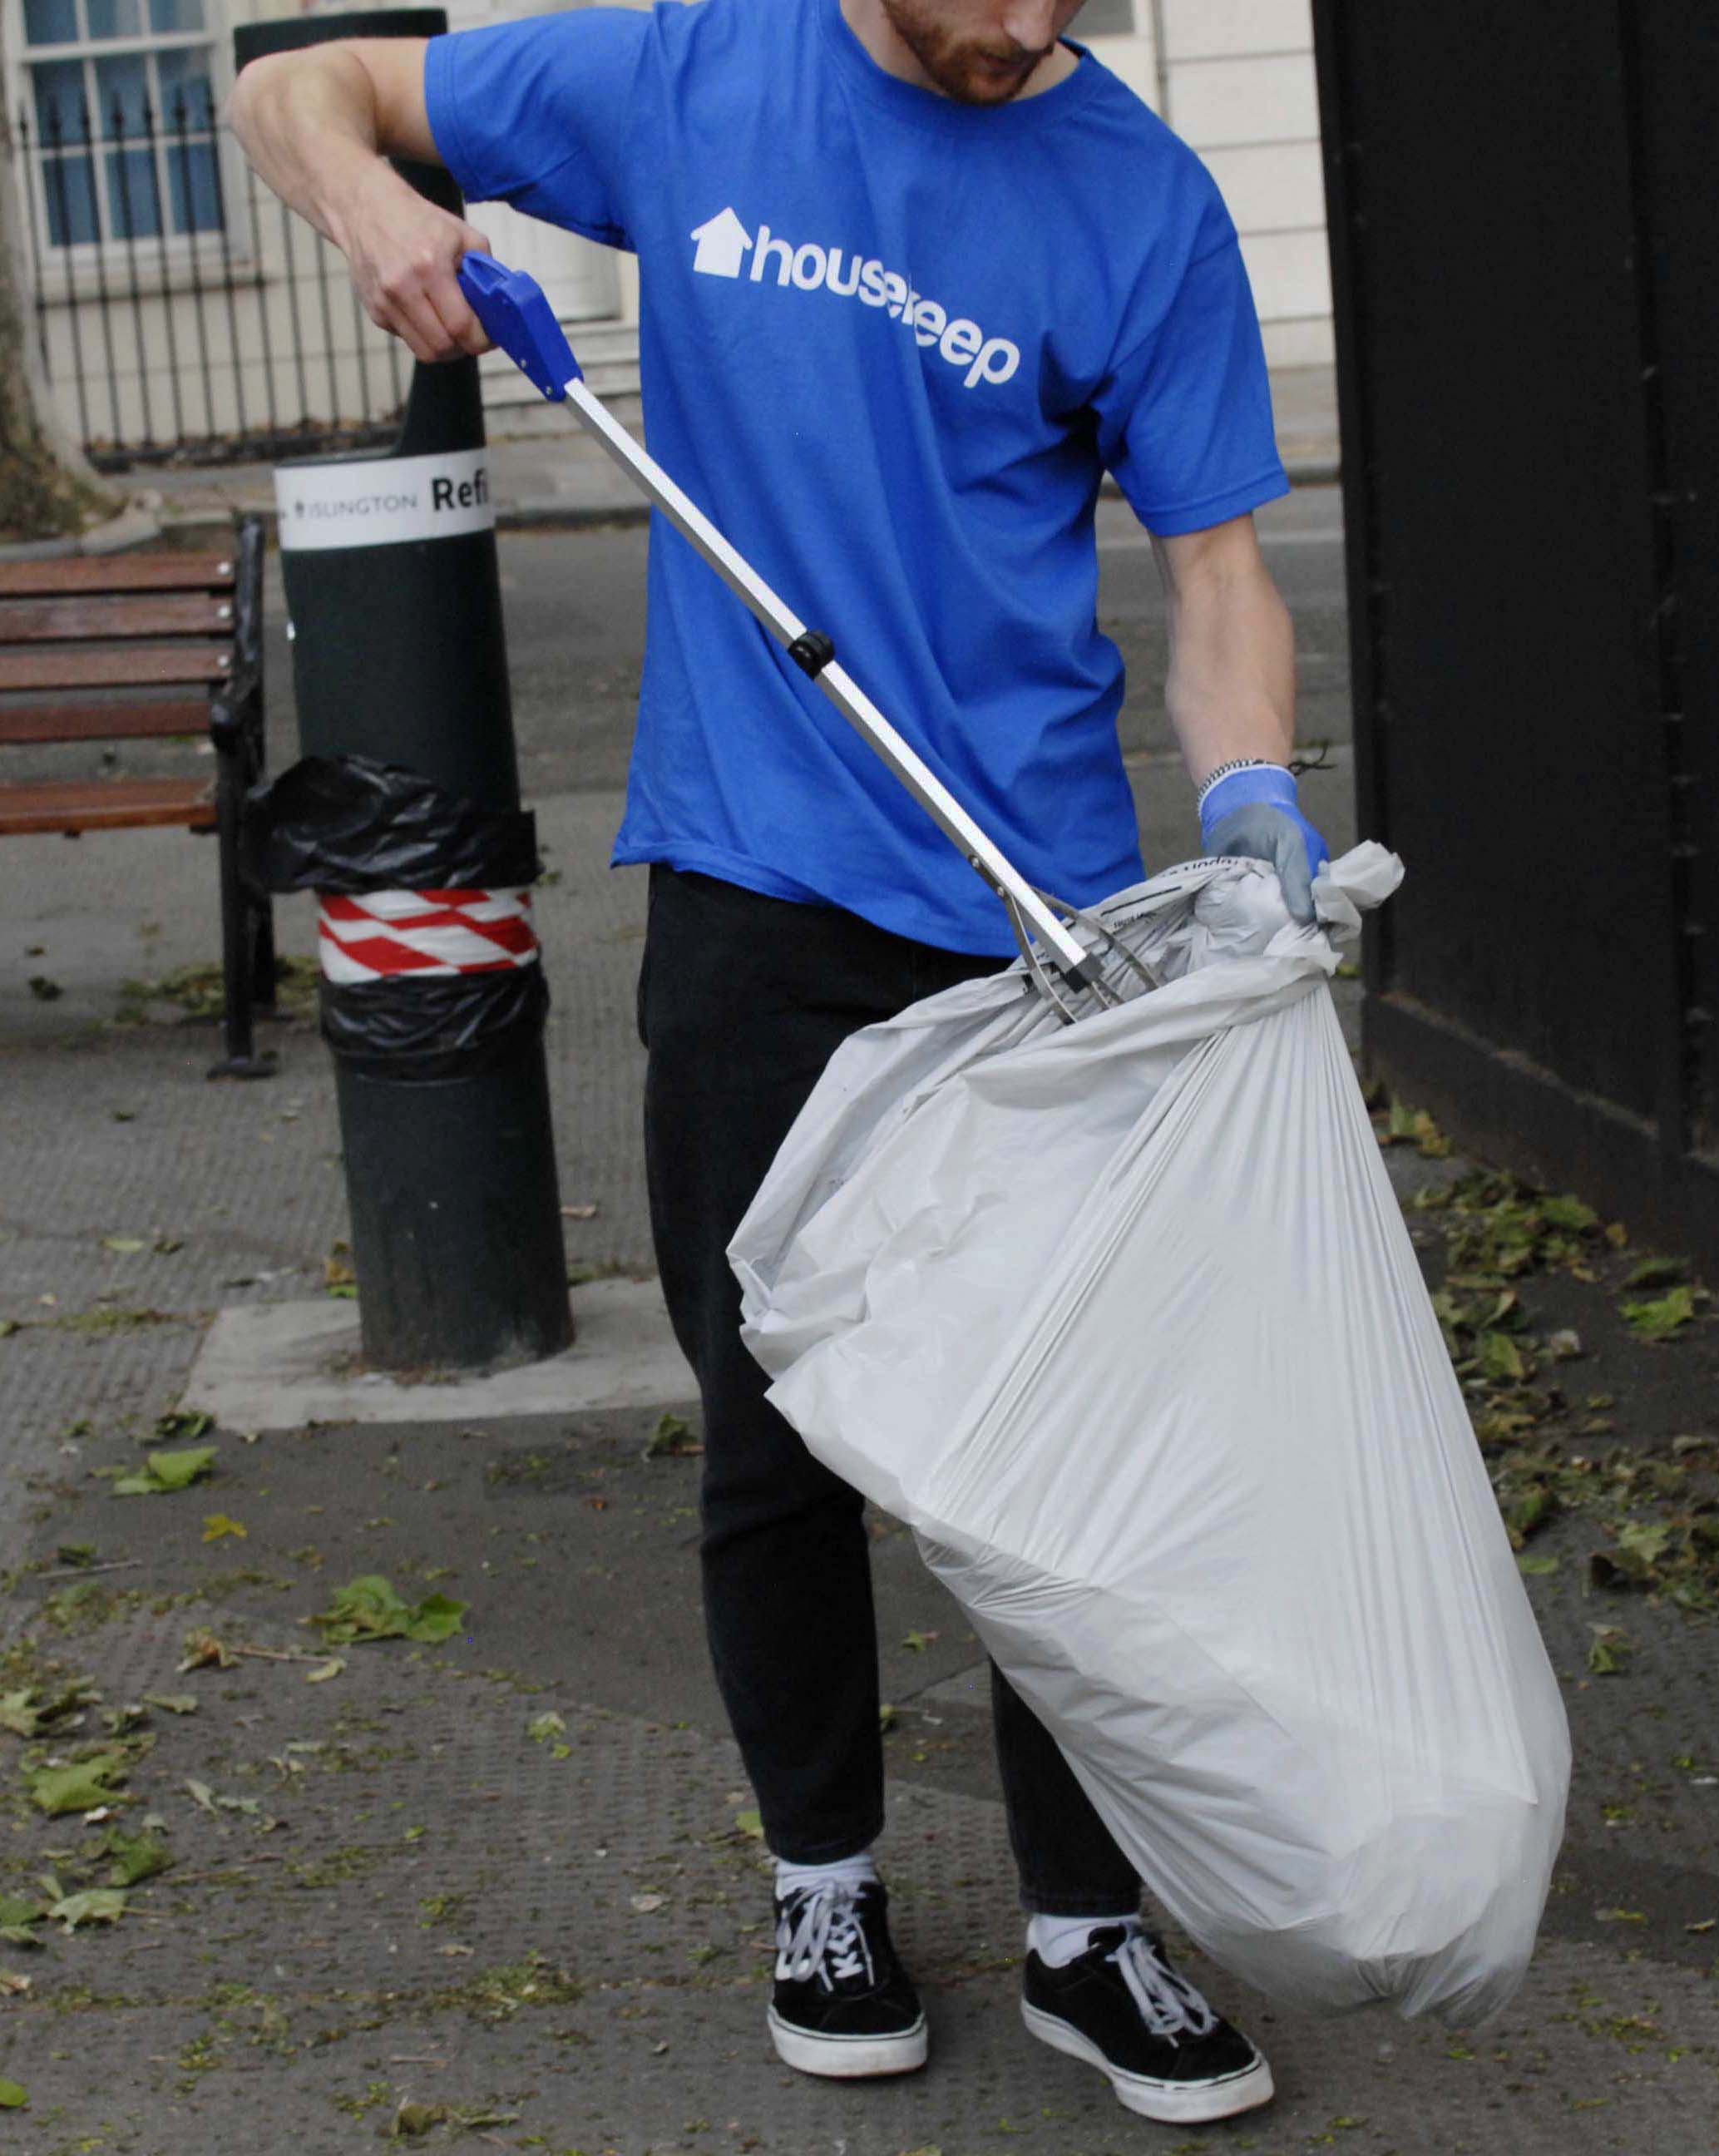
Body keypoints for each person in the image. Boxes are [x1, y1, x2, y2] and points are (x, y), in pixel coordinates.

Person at [232, 0, 1327, 2124]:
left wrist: (1257, 795)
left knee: (1064, 1467)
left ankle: (1088, 1933)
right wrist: (378, 203)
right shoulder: (686, 77)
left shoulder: (1139, 195)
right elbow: (303, 81)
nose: (1026, 28)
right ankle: (820, 1884)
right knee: (775, 1433)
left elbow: (1214, 572)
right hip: (753, 882)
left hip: (1039, 914)